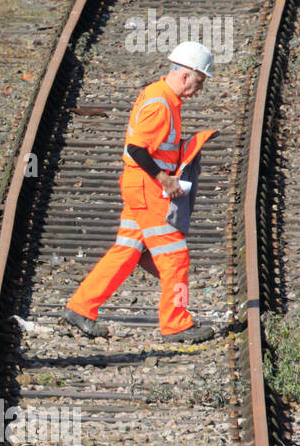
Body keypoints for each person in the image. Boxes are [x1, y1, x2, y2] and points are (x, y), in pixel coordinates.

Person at [63, 41, 217, 343]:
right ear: (186, 75)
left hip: (138, 187)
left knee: (128, 250)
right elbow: (135, 149)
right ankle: (177, 324)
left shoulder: (160, 96)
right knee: (175, 255)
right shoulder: (161, 104)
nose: (200, 89)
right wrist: (165, 179)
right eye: (200, 82)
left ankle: (81, 307)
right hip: (148, 189)